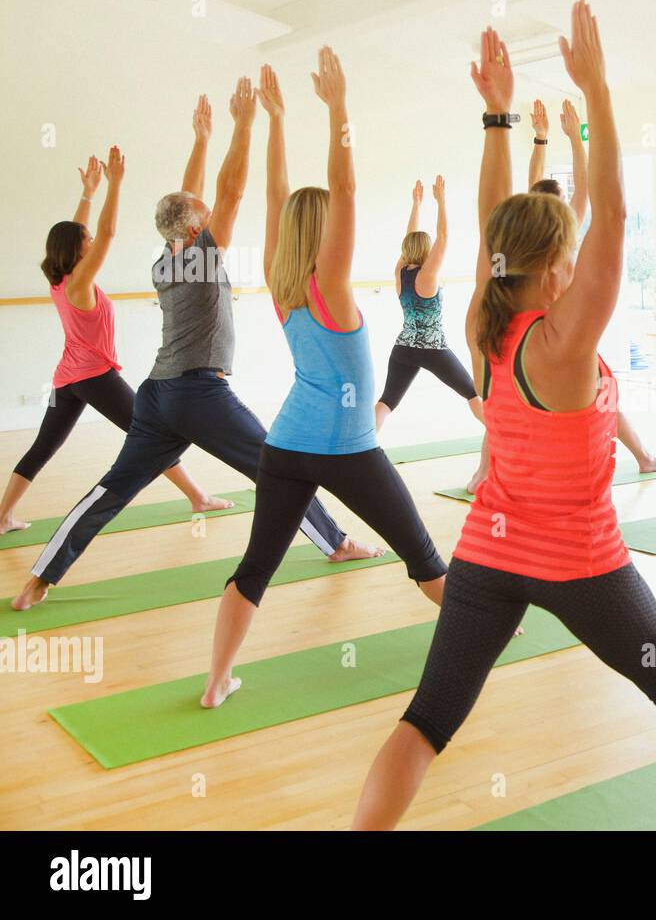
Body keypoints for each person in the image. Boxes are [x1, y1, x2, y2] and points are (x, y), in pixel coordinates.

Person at [352, 5, 656, 829]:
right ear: (558, 266)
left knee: (429, 718)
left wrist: (497, 115)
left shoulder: (484, 323)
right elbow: (617, 217)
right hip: (582, 563)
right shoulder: (564, 346)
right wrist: (598, 92)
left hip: (490, 552)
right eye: (571, 252)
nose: (582, 260)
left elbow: (500, 213)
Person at [9, 77, 375, 613]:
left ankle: (39, 579)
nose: (211, 215)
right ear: (197, 227)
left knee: (111, 490)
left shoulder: (168, 258)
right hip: (198, 392)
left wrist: (202, 138)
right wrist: (245, 125)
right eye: (203, 216)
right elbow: (228, 194)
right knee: (281, 466)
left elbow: (191, 200)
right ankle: (337, 542)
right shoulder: (199, 255)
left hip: (157, 395)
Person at [200, 58, 451, 707]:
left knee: (254, 570)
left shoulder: (285, 289)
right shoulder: (330, 287)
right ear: (324, 234)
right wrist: (337, 109)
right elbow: (345, 192)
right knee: (424, 558)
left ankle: (216, 680)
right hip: (350, 449)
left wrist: (279, 119)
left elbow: (275, 195)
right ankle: (478, 638)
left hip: (286, 446)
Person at [0, 133, 228, 537]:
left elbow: (81, 231)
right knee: (151, 433)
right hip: (94, 378)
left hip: (66, 378)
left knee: (42, 447)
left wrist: (89, 192)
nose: (91, 239)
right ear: (79, 251)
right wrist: (117, 185)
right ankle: (197, 496)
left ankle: (2, 516)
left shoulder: (62, 278)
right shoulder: (80, 282)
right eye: (84, 241)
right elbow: (104, 235)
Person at [527, 97, 656, 476]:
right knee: (606, 394)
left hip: (536, 332)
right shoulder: (564, 229)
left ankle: (483, 471)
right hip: (568, 334)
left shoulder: (529, 236)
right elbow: (586, 190)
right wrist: (576, 139)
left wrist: (541, 140)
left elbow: (537, 189)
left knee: (512, 397)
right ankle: (645, 457)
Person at [375, 175, 490, 492]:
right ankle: (501, 432)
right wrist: (440, 201)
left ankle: (363, 448)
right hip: (433, 349)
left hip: (403, 347)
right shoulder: (428, 275)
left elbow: (408, 239)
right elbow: (444, 236)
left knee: (386, 402)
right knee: (472, 393)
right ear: (426, 251)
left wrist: (415, 204)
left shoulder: (401, 272)